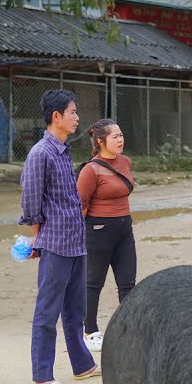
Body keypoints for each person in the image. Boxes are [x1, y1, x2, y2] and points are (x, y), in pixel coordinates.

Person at [19, 89, 99, 384]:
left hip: (76, 243)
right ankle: (42, 376)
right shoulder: (41, 153)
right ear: (57, 117)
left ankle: (82, 365)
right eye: (73, 112)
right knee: (47, 313)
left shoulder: (63, 151)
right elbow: (30, 203)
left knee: (74, 311)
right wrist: (40, 238)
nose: (78, 117)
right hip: (55, 245)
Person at [76, 119, 136, 353]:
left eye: (121, 135)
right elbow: (80, 204)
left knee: (128, 284)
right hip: (98, 231)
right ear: (101, 141)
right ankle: (90, 330)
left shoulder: (125, 162)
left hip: (124, 230)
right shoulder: (91, 169)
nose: (120, 140)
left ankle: (130, 329)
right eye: (114, 137)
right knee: (93, 283)